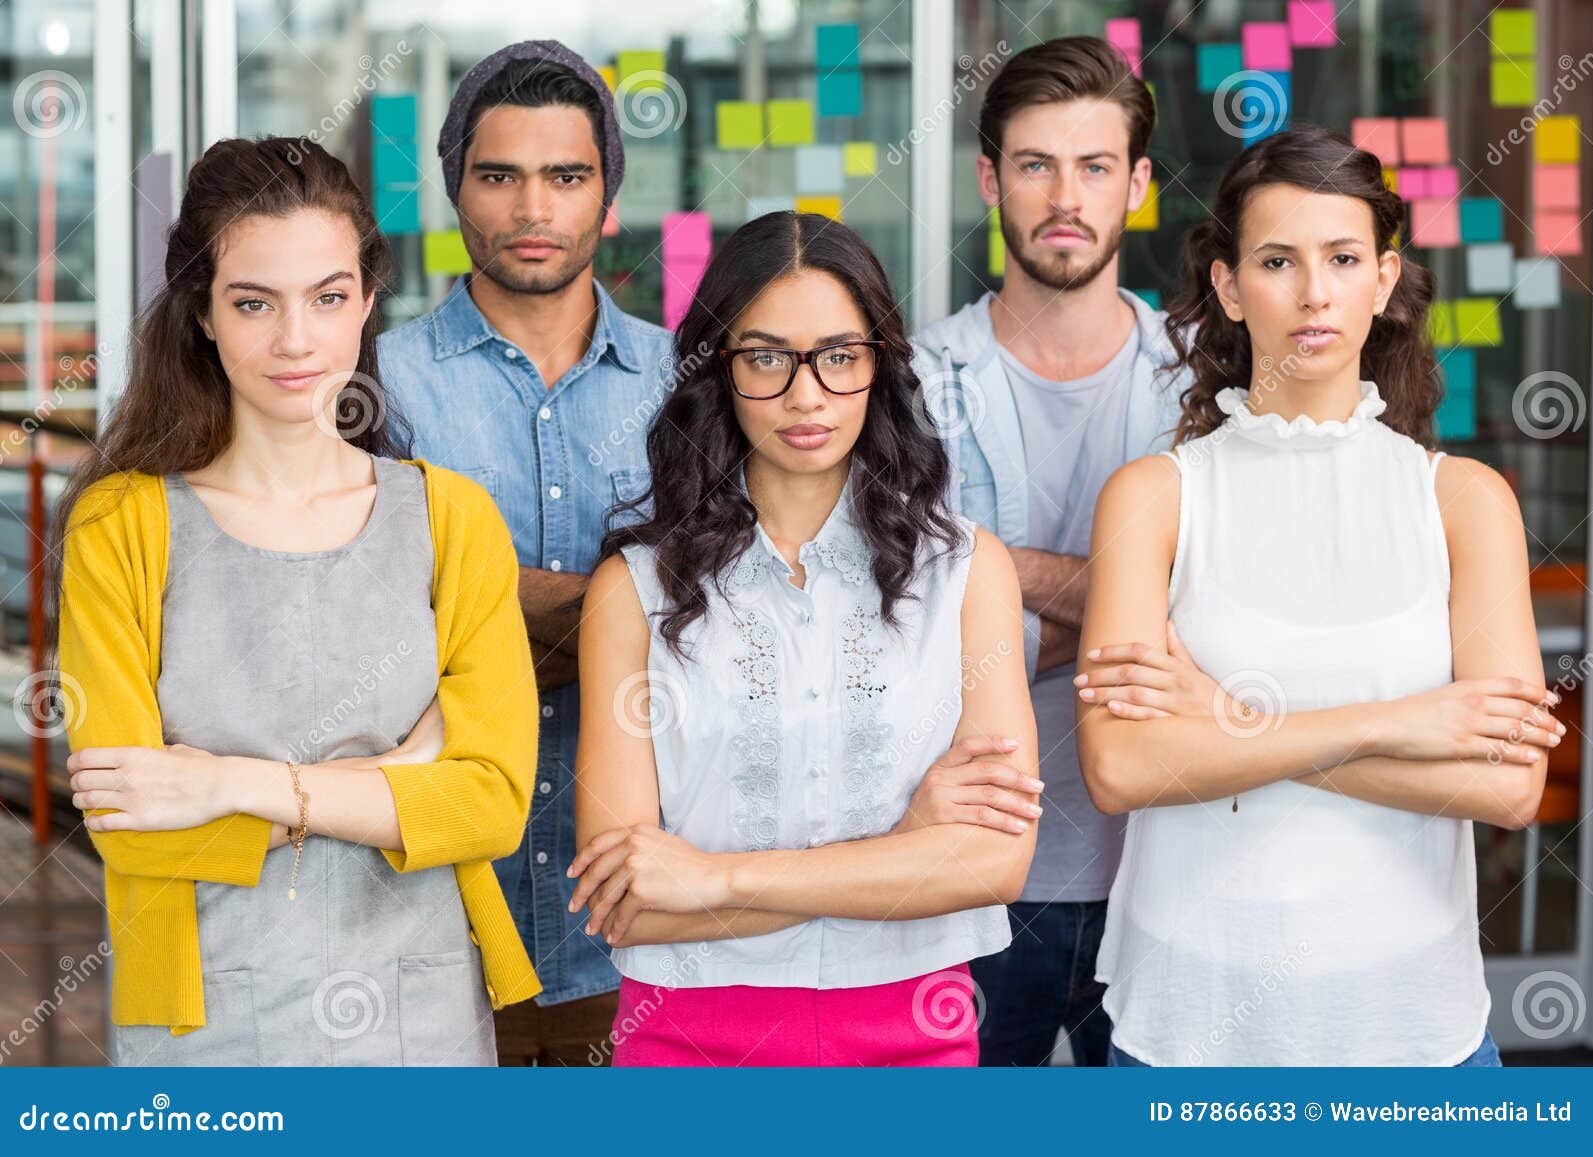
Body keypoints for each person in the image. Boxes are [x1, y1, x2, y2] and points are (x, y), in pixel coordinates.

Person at [1075, 125, 1560, 1066]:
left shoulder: (1462, 502)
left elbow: (1509, 786)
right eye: (1276, 260)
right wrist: (1397, 723)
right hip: (1190, 1026)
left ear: (1383, 281)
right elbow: (1122, 770)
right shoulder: (1155, 498)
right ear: (1227, 286)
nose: (1313, 293)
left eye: (1342, 258)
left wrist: (1228, 716)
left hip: (1417, 1032)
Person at [54, 137, 540, 1065]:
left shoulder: (454, 521)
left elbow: (489, 807)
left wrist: (227, 783)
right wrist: (400, 778)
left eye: (326, 297)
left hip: (422, 1024)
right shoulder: (121, 525)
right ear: (200, 312)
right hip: (202, 1037)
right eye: (252, 302)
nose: (295, 340)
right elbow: (135, 832)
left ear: (364, 300)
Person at [565, 211, 1041, 1066]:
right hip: (686, 1041)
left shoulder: (969, 573)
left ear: (878, 365)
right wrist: (904, 855)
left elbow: (993, 865)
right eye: (766, 357)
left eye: (839, 356)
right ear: (720, 370)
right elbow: (627, 900)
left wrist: (716, 877)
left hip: (914, 1033)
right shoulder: (633, 592)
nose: (806, 394)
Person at [378, 41, 674, 1066]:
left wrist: (480, 612)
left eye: (565, 176)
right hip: (435, 931)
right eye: (499, 175)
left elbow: (723, 622)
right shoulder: (375, 386)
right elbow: (379, 633)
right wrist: (625, 610)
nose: (532, 207)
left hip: (639, 939)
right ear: (455, 188)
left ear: (608, 195)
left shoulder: (689, 387)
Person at [912, 35, 1186, 1067]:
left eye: (1095, 166)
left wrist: (986, 565)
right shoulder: (908, 388)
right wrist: (1137, 612)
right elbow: (908, 642)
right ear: (989, 179)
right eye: (1034, 164)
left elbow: (1214, 617)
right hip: (977, 876)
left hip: (1166, 867)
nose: (1064, 197)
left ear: (1138, 183)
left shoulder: (1206, 385)